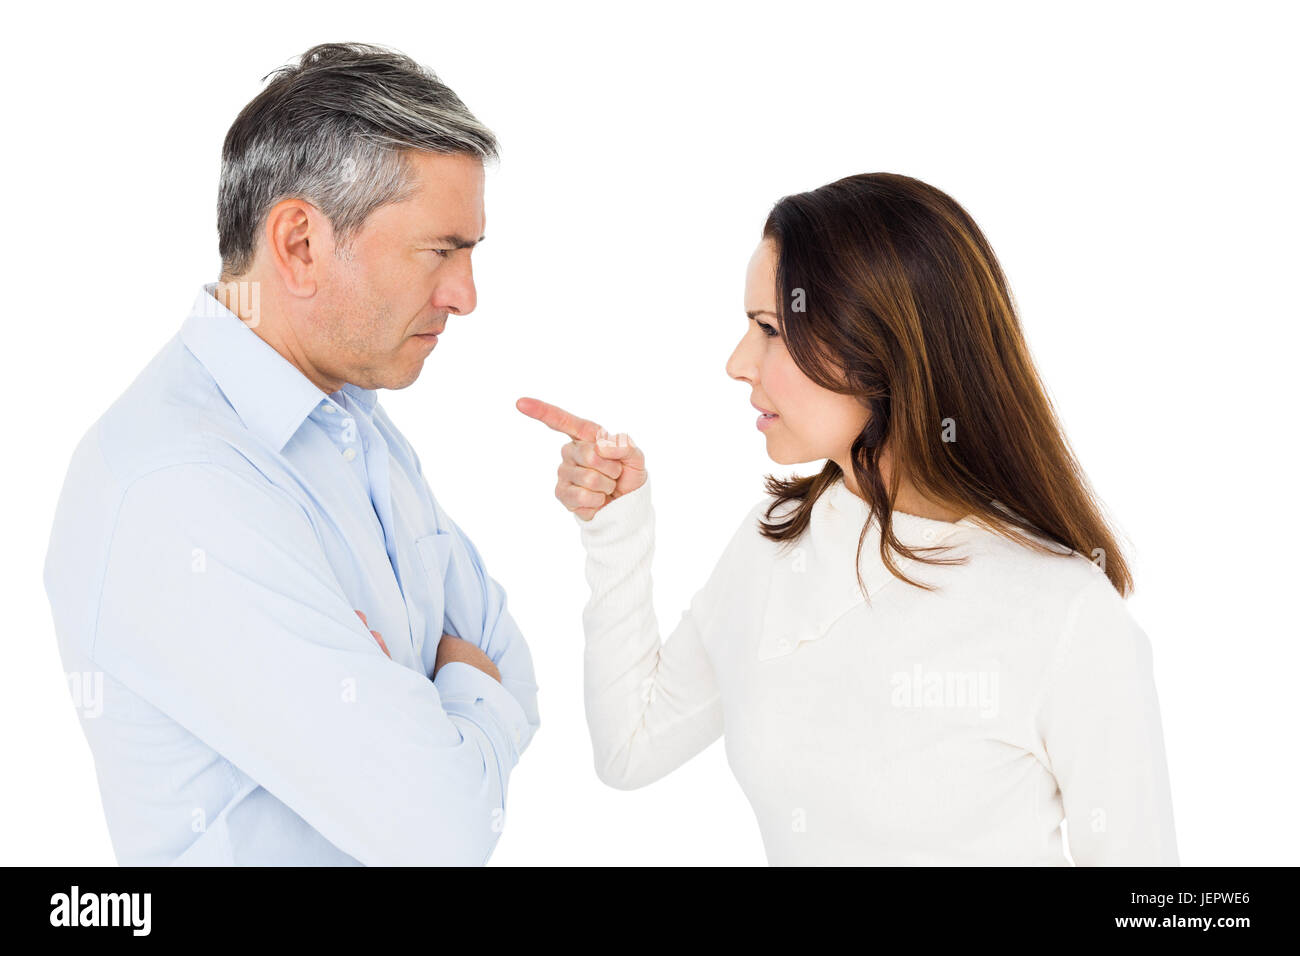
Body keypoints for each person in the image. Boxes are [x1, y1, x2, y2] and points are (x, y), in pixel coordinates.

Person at [517, 172, 1178, 865]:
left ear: (880, 346)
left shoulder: (1065, 612)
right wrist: (618, 527)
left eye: (771, 329)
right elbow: (631, 748)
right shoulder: (779, 542)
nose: (737, 363)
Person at [43, 43, 539, 866]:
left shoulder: (350, 420)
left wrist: (440, 708)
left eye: (472, 252)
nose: (465, 295)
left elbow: (508, 649)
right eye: (439, 250)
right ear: (301, 244)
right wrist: (462, 695)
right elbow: (444, 830)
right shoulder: (178, 487)